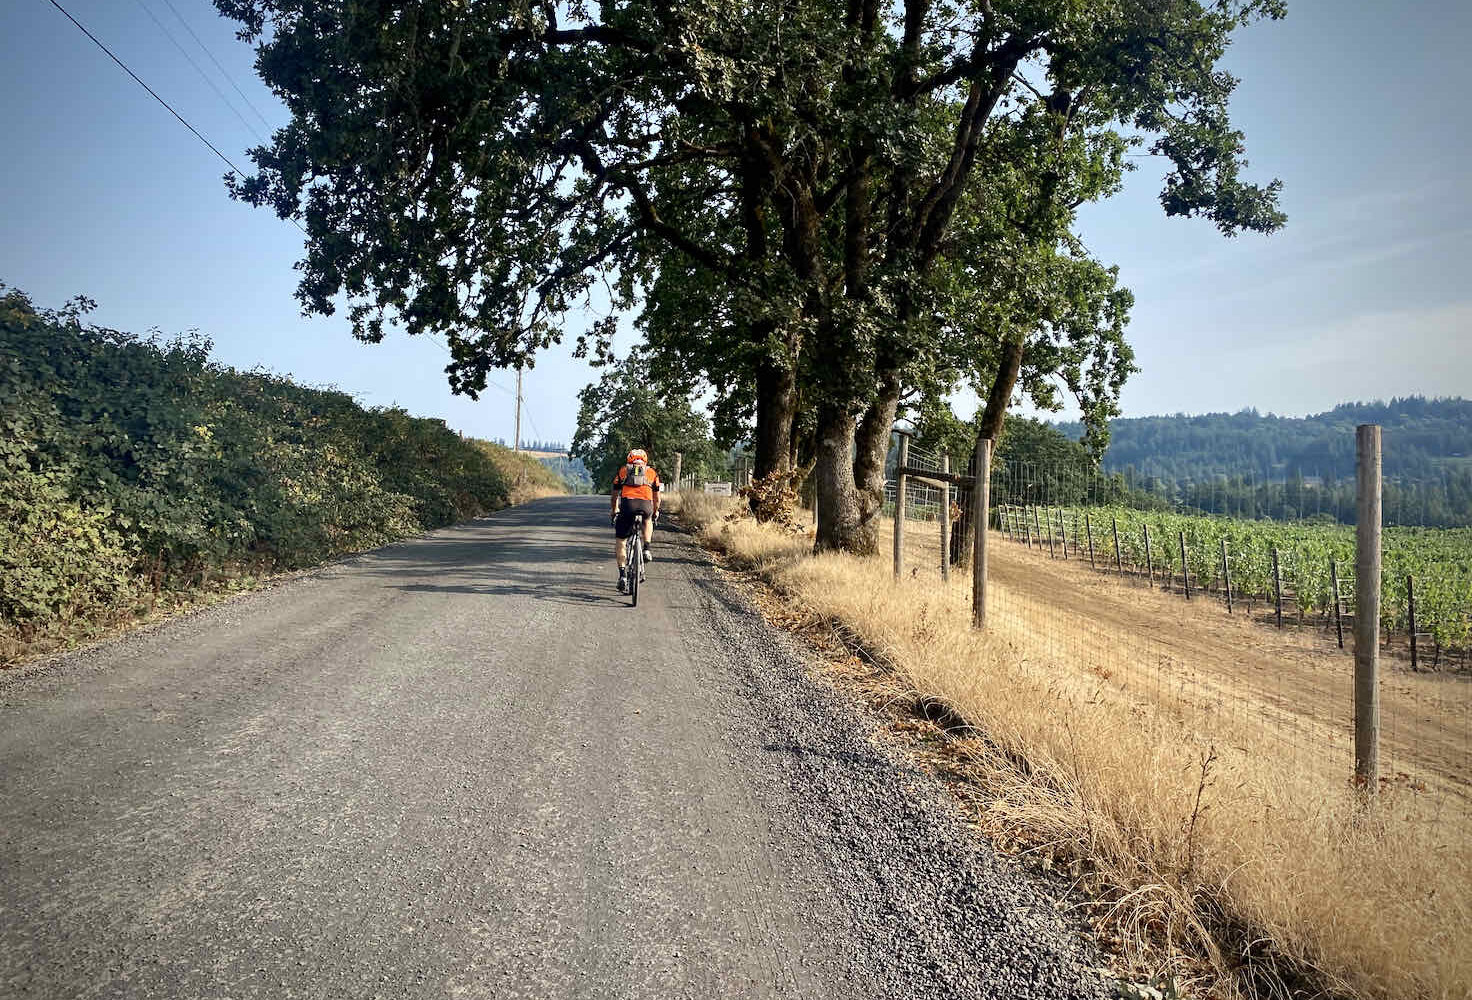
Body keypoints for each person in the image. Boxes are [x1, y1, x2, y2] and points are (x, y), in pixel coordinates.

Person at [610, 449, 661, 593]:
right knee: (648, 519)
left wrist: (614, 510)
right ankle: (646, 548)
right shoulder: (652, 473)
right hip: (646, 506)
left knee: (621, 540)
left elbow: (614, 496)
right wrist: (656, 511)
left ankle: (622, 576)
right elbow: (657, 498)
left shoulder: (623, 471)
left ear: (629, 460)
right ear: (645, 461)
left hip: (627, 506)